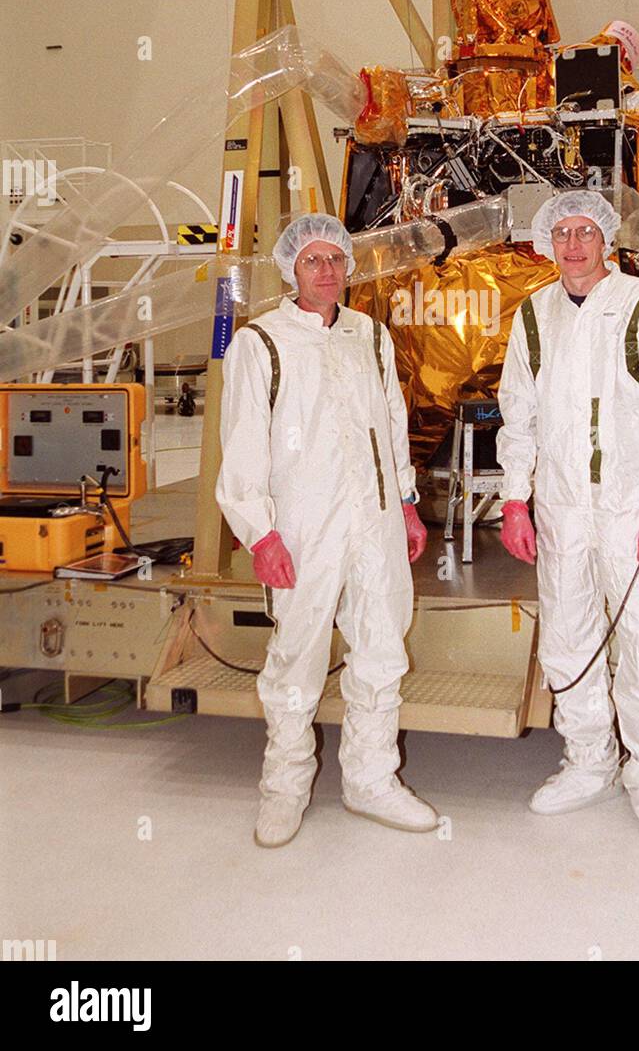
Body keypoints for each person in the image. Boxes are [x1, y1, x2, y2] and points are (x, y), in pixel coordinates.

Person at [216, 213, 437, 848]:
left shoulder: (369, 336)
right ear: (291, 268)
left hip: (373, 522)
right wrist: (260, 534)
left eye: (335, 260)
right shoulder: (261, 343)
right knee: (297, 656)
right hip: (302, 527)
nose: (326, 271)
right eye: (312, 260)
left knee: (381, 646)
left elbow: (390, 427)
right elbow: (244, 450)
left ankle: (372, 779)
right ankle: (284, 786)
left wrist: (405, 504)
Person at [496, 190, 639, 852]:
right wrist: (515, 499)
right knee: (567, 636)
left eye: (585, 231)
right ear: (546, 243)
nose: (574, 244)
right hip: (560, 509)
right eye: (562, 233)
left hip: (628, 507)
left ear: (605, 238)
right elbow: (518, 417)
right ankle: (589, 759)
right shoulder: (533, 316)